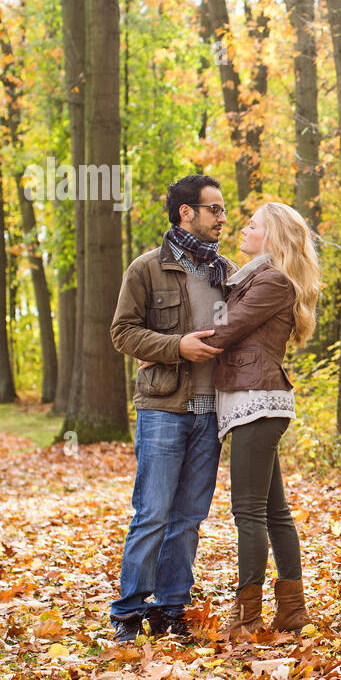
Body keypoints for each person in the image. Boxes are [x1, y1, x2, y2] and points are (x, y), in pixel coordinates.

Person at [107, 174, 233, 642]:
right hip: (163, 407)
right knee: (153, 513)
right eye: (214, 209)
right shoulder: (146, 268)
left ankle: (172, 608)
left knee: (189, 518)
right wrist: (175, 345)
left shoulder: (228, 272)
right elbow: (122, 332)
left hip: (212, 412)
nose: (223, 218)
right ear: (187, 212)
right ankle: (128, 612)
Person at [203, 201, 320, 639]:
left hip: (257, 400)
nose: (243, 230)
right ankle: (291, 610)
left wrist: (169, 349)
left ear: (271, 236)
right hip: (256, 402)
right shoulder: (257, 276)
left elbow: (225, 329)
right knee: (275, 512)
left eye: (252, 225)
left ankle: (247, 616)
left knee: (247, 512)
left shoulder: (270, 280)